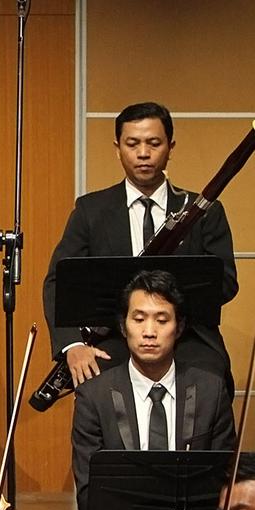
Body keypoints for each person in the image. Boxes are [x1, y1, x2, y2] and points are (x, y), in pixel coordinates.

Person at [43, 101, 238, 391]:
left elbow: (225, 283)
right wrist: (71, 345)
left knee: (209, 375)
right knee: (94, 376)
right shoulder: (90, 210)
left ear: (170, 147)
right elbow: (59, 281)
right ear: (117, 147)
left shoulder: (202, 210)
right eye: (132, 143)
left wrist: (169, 302)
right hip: (114, 336)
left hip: (187, 336)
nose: (143, 153)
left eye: (154, 143)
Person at [73, 270, 235, 510]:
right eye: (139, 319)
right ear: (123, 326)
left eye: (162, 320)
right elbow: (89, 494)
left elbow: (225, 481)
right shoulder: (93, 396)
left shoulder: (211, 390)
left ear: (179, 326)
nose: (150, 331)